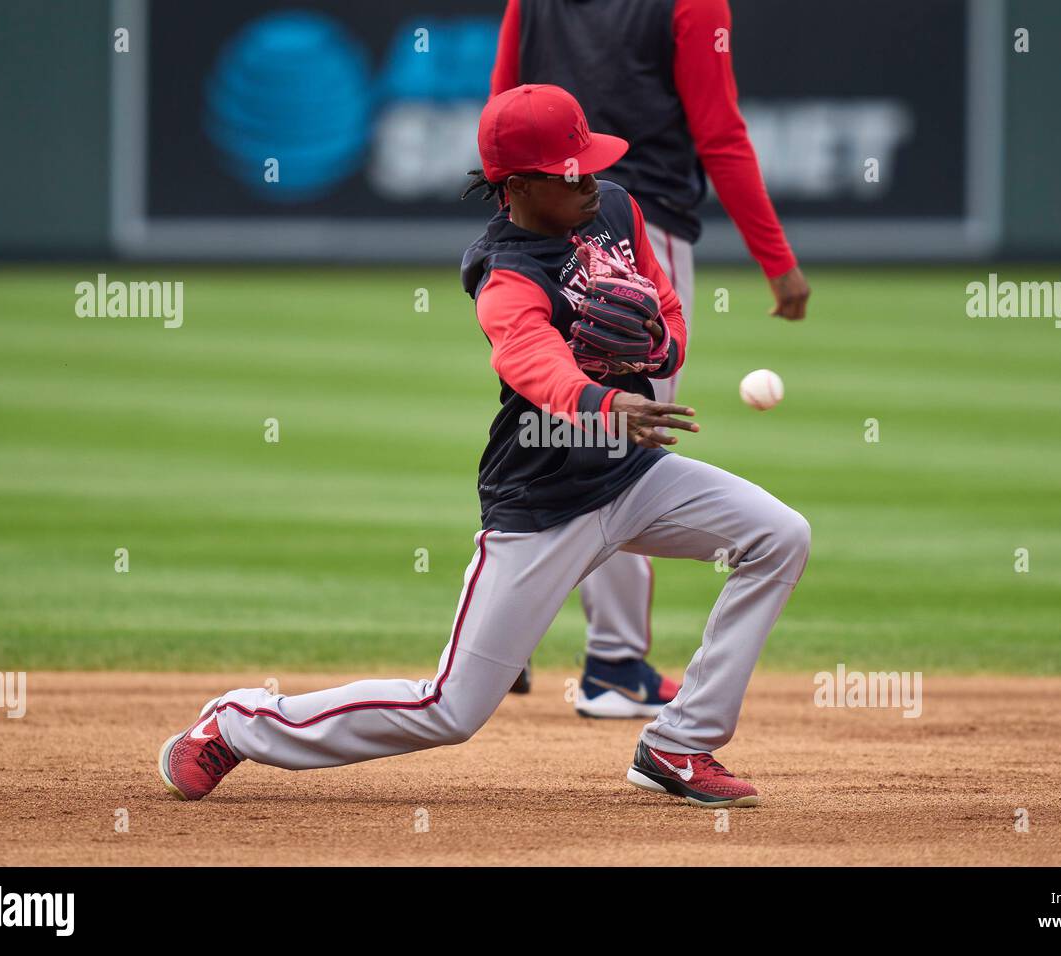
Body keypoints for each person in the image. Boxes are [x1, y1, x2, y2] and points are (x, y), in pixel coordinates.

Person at [158, 85, 810, 809]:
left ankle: (680, 743)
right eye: (573, 174)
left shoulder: (616, 208)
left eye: (591, 164)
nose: (592, 182)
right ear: (521, 187)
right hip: (543, 505)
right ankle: (239, 722)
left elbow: (666, 302)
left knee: (779, 535)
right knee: (450, 708)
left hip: (635, 477)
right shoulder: (506, 272)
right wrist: (600, 401)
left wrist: (661, 345)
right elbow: (529, 359)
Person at [492, 0, 811, 716]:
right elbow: (721, 133)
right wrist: (777, 260)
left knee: (563, 423)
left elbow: (501, 108)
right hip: (642, 229)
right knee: (622, 444)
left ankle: (517, 626)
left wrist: (508, 231)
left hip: (540, 230)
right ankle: (611, 662)